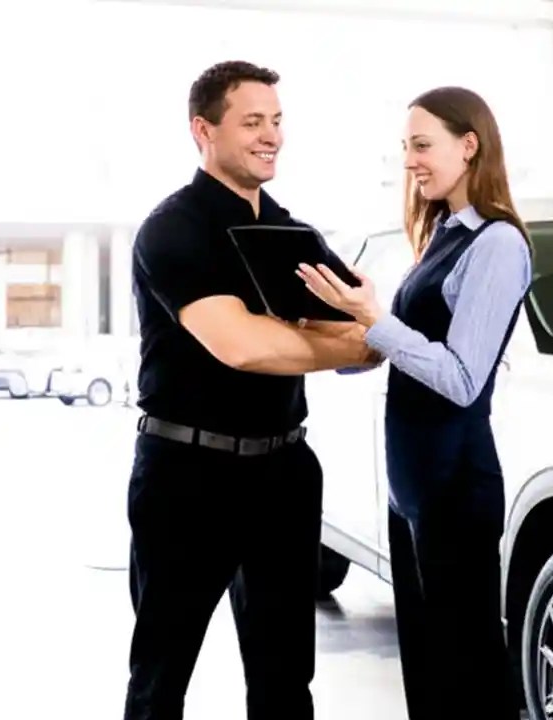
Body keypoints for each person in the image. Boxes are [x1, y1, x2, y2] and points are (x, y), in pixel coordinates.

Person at [123, 60, 372, 720]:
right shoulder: (172, 228)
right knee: (160, 676)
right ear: (203, 131)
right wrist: (321, 340)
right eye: (253, 121)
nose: (272, 136)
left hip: (284, 473)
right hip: (187, 474)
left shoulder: (292, 234)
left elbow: (367, 333)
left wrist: (316, 339)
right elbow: (241, 346)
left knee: (285, 680)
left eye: (277, 121)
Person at [296, 85, 532, 720]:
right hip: (415, 487)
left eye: (422, 145)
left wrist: (376, 319)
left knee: (465, 674)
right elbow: (404, 349)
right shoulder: (444, 234)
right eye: (406, 147)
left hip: (454, 485)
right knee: (429, 671)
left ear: (469, 145)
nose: (410, 161)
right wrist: (343, 326)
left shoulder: (498, 243)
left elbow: (461, 378)